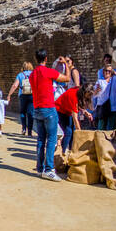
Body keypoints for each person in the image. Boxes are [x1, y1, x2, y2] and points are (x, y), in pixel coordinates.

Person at [29, 49, 76, 181]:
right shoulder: (48, 71)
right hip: (49, 108)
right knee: (52, 139)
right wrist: (66, 64)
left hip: (37, 109)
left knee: (40, 139)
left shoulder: (32, 74)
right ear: (46, 58)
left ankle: (39, 168)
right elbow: (67, 78)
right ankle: (49, 169)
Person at [54, 82, 91, 157]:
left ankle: (71, 152)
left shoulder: (79, 91)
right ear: (84, 92)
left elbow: (78, 104)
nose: (88, 98)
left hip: (68, 111)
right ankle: (61, 154)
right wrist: (80, 133)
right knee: (68, 132)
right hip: (59, 110)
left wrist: (85, 112)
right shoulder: (73, 96)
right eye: (88, 95)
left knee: (73, 132)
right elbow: (75, 118)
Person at [5, 61, 34, 136]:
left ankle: (24, 128)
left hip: (22, 95)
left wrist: (9, 95)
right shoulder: (34, 74)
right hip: (32, 95)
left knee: (22, 112)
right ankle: (30, 131)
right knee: (30, 113)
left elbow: (15, 85)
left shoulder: (20, 75)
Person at [93, 65, 116, 131]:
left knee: (112, 130)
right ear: (103, 72)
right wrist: (96, 91)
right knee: (101, 129)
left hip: (114, 108)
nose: (107, 72)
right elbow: (94, 95)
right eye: (106, 70)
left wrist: (115, 74)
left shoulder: (115, 80)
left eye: (109, 71)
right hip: (103, 107)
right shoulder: (100, 81)